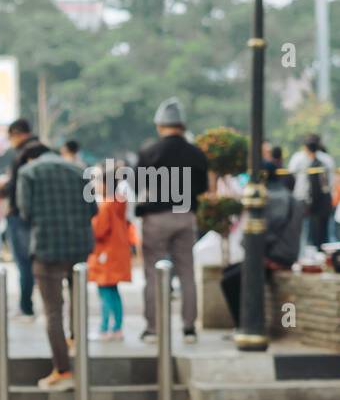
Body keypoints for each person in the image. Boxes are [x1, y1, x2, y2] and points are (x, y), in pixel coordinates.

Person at [16, 141, 95, 388]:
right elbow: (93, 209)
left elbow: (25, 212)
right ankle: (75, 345)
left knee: (53, 311)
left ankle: (63, 370)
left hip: (46, 248)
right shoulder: (79, 169)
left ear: (30, 157)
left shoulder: (28, 172)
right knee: (78, 302)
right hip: (79, 245)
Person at [135, 97, 208, 344]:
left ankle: (153, 329)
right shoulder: (196, 153)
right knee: (187, 272)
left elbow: (138, 185)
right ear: (183, 126)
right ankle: (189, 328)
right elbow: (202, 187)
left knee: (153, 272)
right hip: (186, 216)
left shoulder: (149, 152)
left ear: (159, 125)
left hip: (155, 217)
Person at [221, 160, 303, 329]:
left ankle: (246, 325)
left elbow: (267, 232)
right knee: (228, 273)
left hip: (277, 255)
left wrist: (249, 247)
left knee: (229, 280)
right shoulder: (278, 194)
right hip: (275, 252)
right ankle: (244, 323)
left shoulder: (274, 197)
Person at [0, 118, 41, 322]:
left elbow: (15, 186)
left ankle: (26, 307)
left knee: (24, 263)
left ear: (18, 134)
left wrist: (1, 189)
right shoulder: (41, 150)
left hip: (19, 215)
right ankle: (27, 306)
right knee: (32, 262)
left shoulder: (24, 153)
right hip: (36, 214)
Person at [87, 163, 133, 342]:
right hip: (117, 252)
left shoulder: (106, 206)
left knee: (105, 292)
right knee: (114, 292)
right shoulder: (119, 202)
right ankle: (118, 327)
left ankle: (105, 327)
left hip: (105, 255)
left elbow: (98, 231)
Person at [287, 134, 335, 249]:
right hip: (305, 198)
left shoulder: (323, 159)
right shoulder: (325, 159)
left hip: (316, 200)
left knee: (313, 231)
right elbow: (331, 181)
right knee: (312, 231)